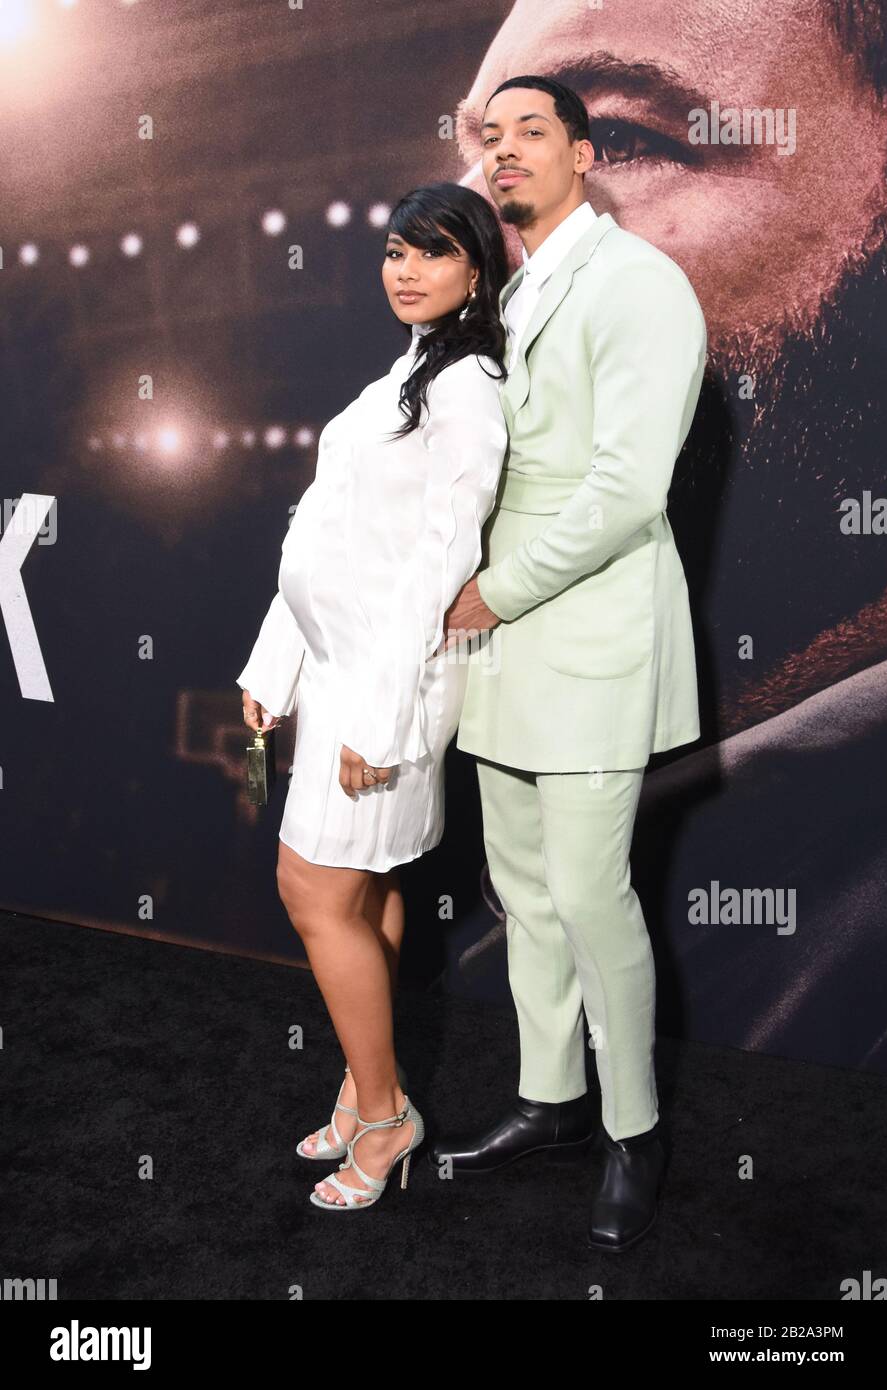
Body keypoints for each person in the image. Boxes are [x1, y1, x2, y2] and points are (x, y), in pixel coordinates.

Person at [431, 77, 707, 1252]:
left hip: (585, 629)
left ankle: (633, 1130)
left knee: (596, 895)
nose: (504, 154)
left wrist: (491, 589)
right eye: (490, 138)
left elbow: (627, 490)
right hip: (501, 644)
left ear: (586, 155)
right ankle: (551, 1100)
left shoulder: (640, 283)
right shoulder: (508, 288)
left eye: (530, 133)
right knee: (525, 892)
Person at [236, 183, 509, 1210]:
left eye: (432, 253)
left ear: (475, 270)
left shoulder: (469, 386)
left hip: (390, 683)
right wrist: (275, 672)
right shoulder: (412, 368)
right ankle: (364, 1085)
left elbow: (441, 563)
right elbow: (326, 538)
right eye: (397, 249)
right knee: (369, 887)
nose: (405, 269)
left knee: (315, 891)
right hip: (342, 667)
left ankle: (390, 1120)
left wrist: (379, 720)